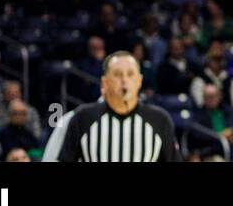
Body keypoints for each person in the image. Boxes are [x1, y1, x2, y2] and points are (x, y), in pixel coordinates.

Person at [46, 50, 179, 162]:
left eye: (130, 74)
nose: (124, 80)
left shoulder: (159, 120)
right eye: (117, 74)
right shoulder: (82, 118)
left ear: (139, 81)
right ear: (104, 82)